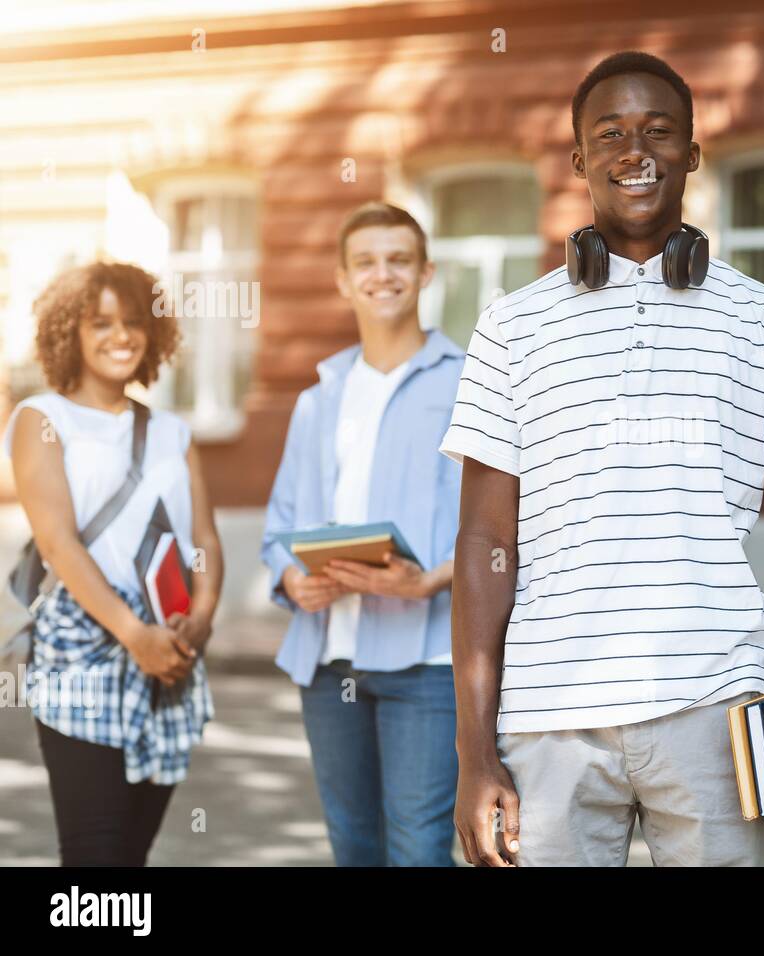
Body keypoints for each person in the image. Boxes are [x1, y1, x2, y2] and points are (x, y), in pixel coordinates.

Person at [439, 51, 764, 867]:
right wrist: (474, 752)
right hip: (548, 714)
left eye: (660, 132)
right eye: (612, 134)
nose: (637, 151)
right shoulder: (510, 327)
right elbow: (485, 542)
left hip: (714, 707)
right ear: (580, 161)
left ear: (694, 154)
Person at [260, 202, 463, 866]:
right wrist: (292, 578)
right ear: (344, 281)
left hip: (427, 661)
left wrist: (429, 578)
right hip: (327, 662)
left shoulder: (469, 385)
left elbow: (501, 530)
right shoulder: (319, 396)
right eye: (366, 262)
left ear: (426, 272)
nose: (384, 274)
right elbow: (279, 528)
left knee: (418, 849)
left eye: (399, 259)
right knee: (353, 847)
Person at [4, 261, 221, 866]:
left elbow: (202, 534)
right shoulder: (43, 419)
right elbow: (58, 543)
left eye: (132, 322)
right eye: (100, 323)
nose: (120, 335)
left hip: (170, 648)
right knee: (93, 853)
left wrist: (200, 617)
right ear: (69, 333)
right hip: (86, 649)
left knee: (129, 854)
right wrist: (132, 634)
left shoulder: (174, 431)